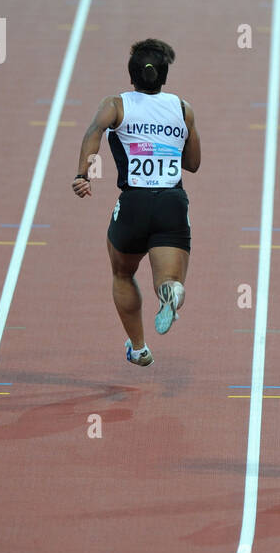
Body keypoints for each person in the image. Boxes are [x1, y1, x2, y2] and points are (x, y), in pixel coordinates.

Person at [72, 39, 201, 367]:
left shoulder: (117, 104)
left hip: (134, 203)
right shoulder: (183, 108)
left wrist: (83, 173)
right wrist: (164, 145)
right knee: (167, 280)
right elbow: (193, 163)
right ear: (164, 76)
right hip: (172, 203)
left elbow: (93, 131)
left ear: (131, 76)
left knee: (122, 273)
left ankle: (139, 348)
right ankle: (170, 291)